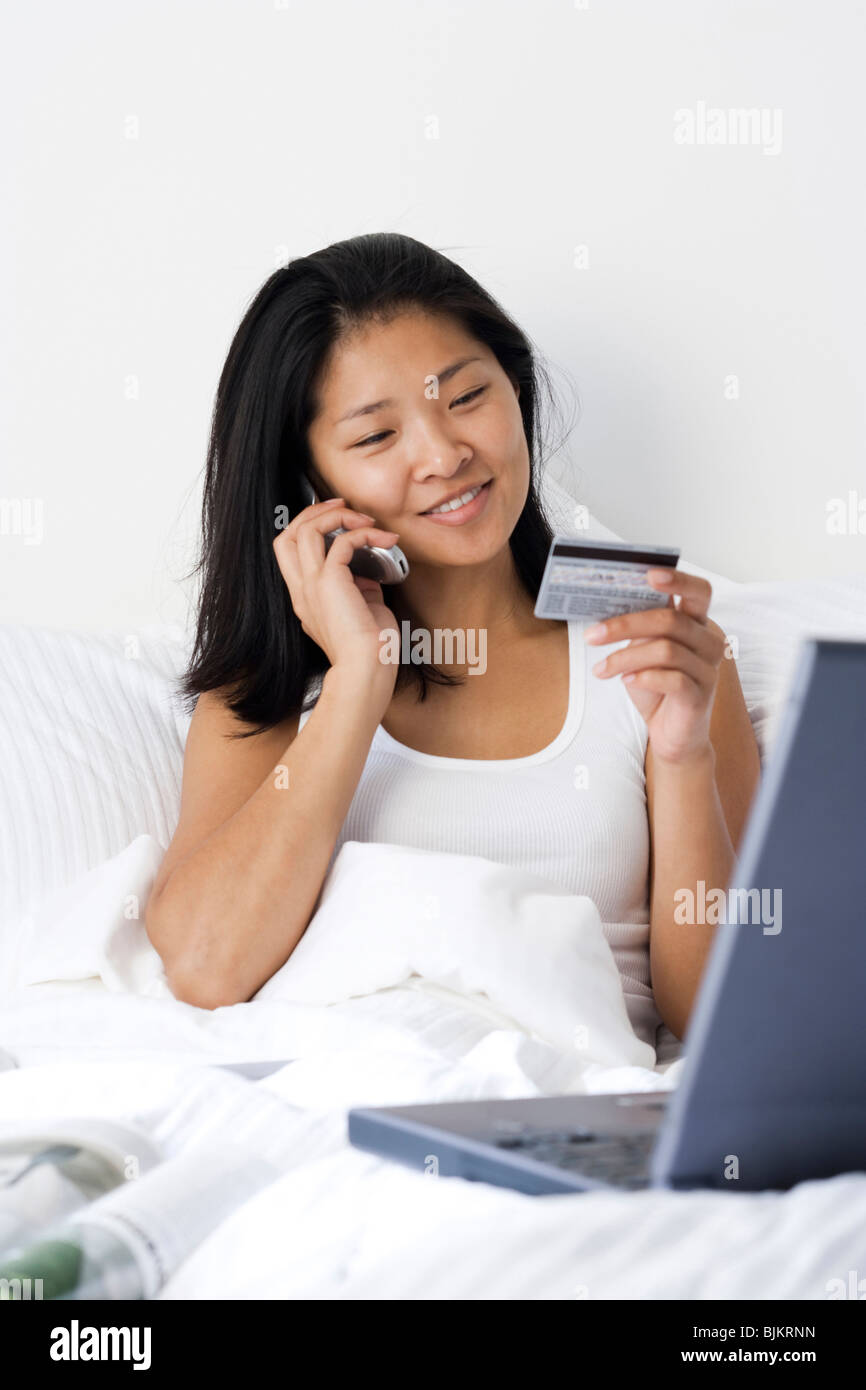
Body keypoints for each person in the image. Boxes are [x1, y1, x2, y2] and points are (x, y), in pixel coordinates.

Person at [145, 232, 761, 1042]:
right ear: (308, 486)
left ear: (517, 391)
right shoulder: (264, 694)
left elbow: (722, 1021)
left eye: (468, 398)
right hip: (337, 1107)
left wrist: (684, 756)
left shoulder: (661, 653)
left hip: (568, 1108)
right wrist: (359, 681)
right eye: (375, 437)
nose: (444, 455)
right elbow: (205, 967)